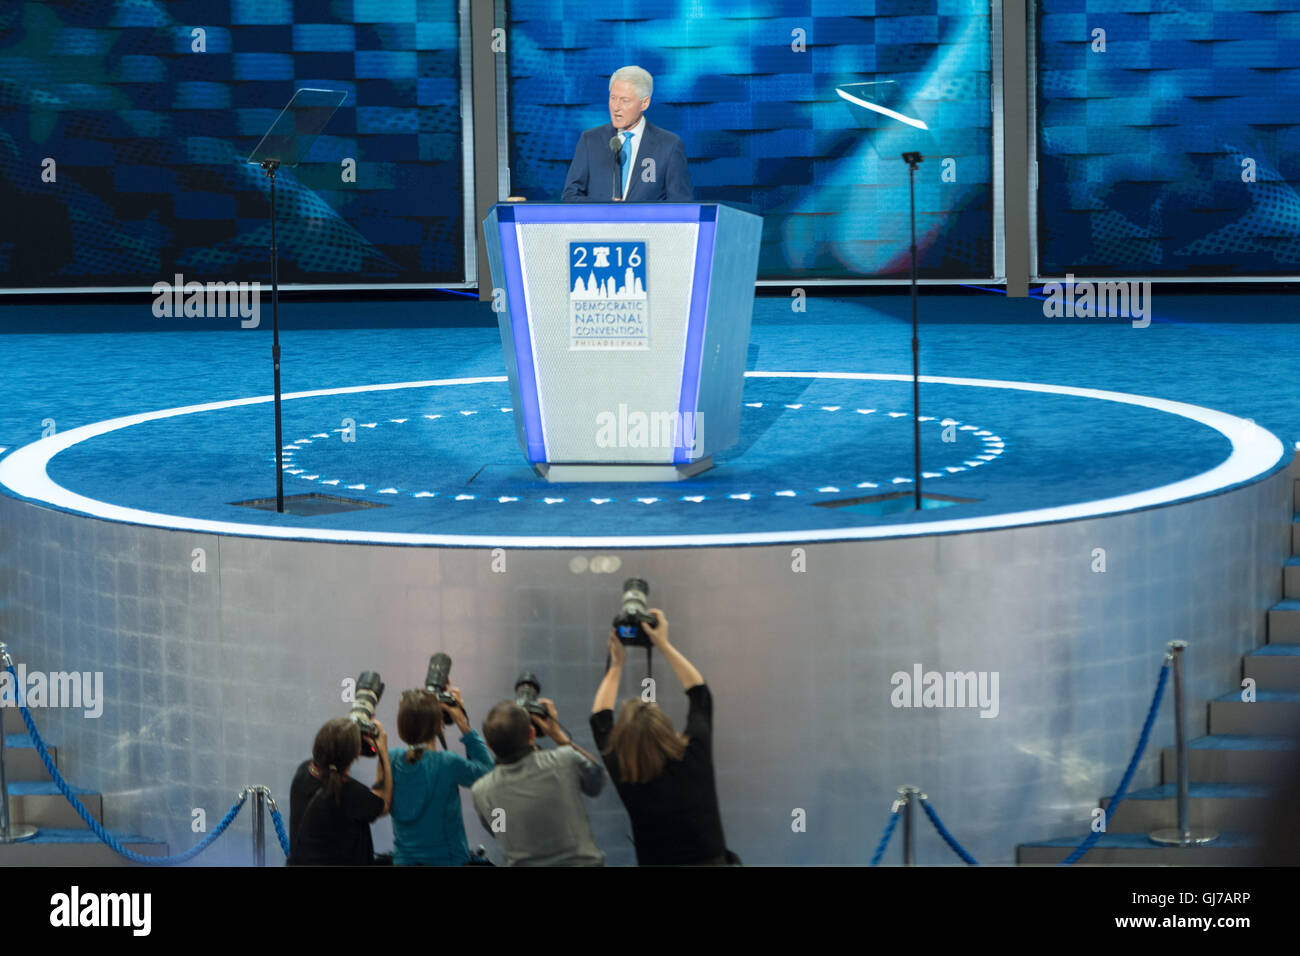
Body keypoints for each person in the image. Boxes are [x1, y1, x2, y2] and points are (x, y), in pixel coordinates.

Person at [590, 608, 731, 865]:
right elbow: (700, 694)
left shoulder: (625, 774)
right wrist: (663, 644)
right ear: (666, 728)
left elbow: (600, 718)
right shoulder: (694, 755)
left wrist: (616, 666)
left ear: (623, 742)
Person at [470, 695, 605, 866]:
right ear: (532, 734)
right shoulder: (565, 760)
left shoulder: (482, 792)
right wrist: (558, 736)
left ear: (488, 744)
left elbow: (501, 832)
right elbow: (597, 782)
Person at [389, 686, 494, 866]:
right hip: (448, 860)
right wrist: (463, 723)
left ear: (401, 726)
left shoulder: (392, 759)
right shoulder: (447, 762)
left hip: (404, 861)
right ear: (440, 725)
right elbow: (489, 773)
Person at [561, 65, 693, 202]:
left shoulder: (669, 146)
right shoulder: (590, 140)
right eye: (613, 98)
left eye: (625, 100)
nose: (616, 107)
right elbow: (570, 197)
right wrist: (606, 208)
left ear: (645, 103)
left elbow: (680, 205)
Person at [287, 717, 392, 865]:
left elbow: (331, 762)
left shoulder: (304, 771)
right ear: (355, 755)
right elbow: (384, 802)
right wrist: (383, 751)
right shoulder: (349, 792)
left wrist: (347, 746)